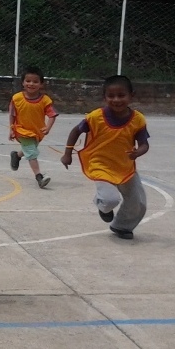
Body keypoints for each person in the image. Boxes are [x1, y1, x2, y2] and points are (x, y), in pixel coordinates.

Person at [60, 75, 150, 240]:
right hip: (100, 164)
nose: (116, 99)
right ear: (104, 97)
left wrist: (138, 151)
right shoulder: (95, 117)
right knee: (110, 199)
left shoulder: (138, 120)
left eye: (121, 95)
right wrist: (67, 153)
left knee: (138, 203)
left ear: (132, 95)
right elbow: (76, 131)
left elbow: (144, 144)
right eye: (111, 96)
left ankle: (122, 226)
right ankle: (103, 206)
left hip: (124, 166)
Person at [8, 66, 59, 188]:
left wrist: (47, 127)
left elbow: (52, 115)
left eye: (35, 81)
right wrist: (11, 128)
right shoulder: (17, 98)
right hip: (22, 131)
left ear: (41, 84)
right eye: (28, 81)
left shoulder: (45, 100)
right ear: (23, 82)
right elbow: (12, 114)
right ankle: (39, 177)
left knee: (29, 150)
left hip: (37, 132)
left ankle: (17, 155)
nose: (31, 84)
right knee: (32, 153)